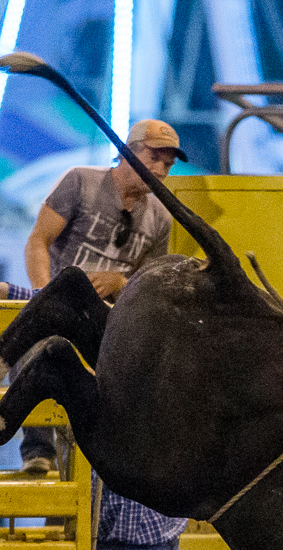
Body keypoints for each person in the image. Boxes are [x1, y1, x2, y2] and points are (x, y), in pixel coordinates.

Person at [10, 120, 186, 475]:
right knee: (33, 330)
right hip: (61, 303)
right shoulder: (81, 182)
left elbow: (150, 284)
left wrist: (120, 282)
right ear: (126, 152)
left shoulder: (160, 217)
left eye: (168, 164)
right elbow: (38, 242)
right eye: (153, 157)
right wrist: (45, 294)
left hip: (108, 320)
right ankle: (38, 449)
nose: (160, 170)